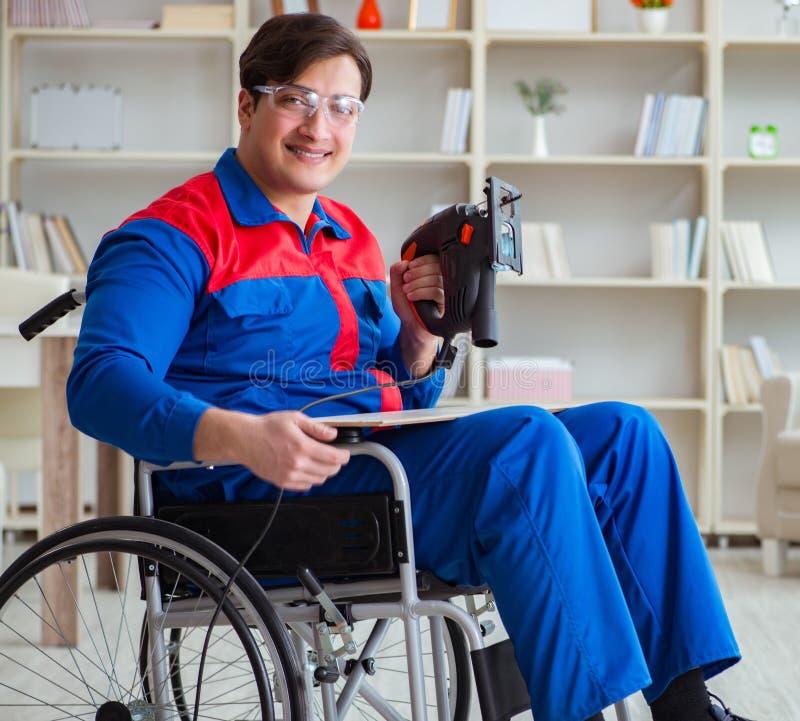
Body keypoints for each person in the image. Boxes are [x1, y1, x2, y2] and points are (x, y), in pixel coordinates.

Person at [67, 12, 751, 721]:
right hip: (254, 500)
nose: (320, 127)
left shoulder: (351, 237)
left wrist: (418, 342)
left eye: (343, 107)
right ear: (247, 104)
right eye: (297, 99)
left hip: (371, 473)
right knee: (526, 445)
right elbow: (98, 383)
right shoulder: (170, 236)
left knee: (626, 436)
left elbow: (395, 393)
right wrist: (239, 435)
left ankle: (687, 710)